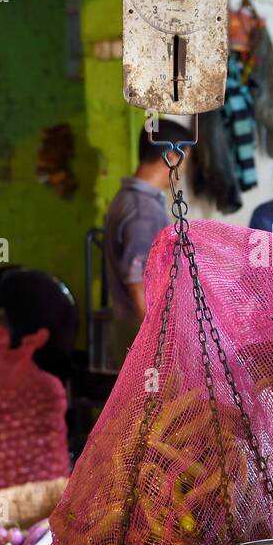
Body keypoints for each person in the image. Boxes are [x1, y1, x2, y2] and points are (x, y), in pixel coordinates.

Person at [103, 118, 191, 368]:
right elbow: (137, 282)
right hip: (141, 329)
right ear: (171, 157)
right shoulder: (143, 210)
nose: (183, 170)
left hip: (131, 324)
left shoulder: (126, 198)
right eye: (185, 160)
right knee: (151, 405)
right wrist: (155, 340)